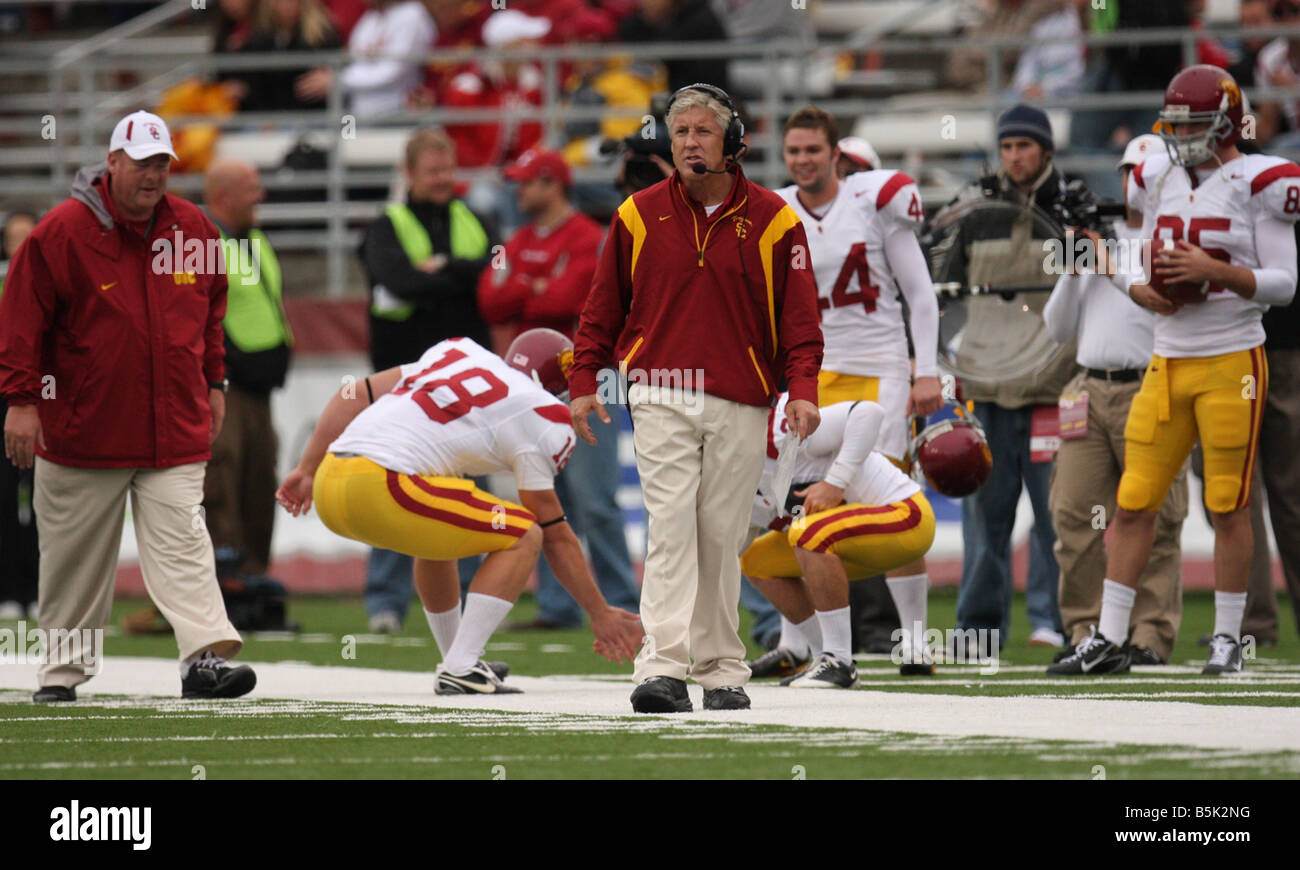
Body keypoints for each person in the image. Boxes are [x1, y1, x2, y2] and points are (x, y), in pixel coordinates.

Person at [570, 83, 823, 713]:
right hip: (658, 391)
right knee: (672, 526)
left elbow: (800, 318)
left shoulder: (776, 219)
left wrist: (804, 390)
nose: (689, 142)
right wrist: (583, 382)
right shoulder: (635, 214)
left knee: (721, 534)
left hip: (743, 397)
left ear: (732, 142)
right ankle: (659, 669)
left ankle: (720, 671)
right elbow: (602, 307)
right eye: (680, 132)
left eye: (702, 131)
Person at [0, 111, 255, 702]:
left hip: (172, 427)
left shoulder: (194, 229)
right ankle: (62, 673)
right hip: (84, 430)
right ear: (112, 162)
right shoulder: (60, 233)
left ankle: (204, 659)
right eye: (142, 163)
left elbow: (211, 314)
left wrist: (214, 381)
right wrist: (20, 400)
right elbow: (21, 322)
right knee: (73, 559)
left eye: (162, 163)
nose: (153, 175)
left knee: (185, 544)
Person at [1066, 65, 1299, 676]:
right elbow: (1145, 274)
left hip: (1231, 359)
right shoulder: (1154, 176)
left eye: (1194, 124)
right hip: (1166, 360)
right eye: (1176, 124)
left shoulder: (1260, 181)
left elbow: (1284, 283)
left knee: (1227, 503)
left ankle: (1227, 639)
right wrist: (1138, 286)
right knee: (1134, 500)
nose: (1182, 135)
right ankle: (1109, 636)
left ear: (1225, 122)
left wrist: (1214, 271)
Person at [275, 331, 643, 693]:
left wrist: (307, 468)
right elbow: (556, 534)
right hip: (382, 484)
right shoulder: (543, 413)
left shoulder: (457, 352)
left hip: (330, 482)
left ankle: (456, 659)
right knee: (524, 533)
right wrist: (599, 611)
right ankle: (462, 665)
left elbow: (353, 391)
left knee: (441, 534)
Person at [749, 106, 940, 679]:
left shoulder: (872, 202)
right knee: (791, 499)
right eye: (794, 152)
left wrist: (926, 369)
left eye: (814, 150)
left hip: (879, 363)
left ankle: (915, 641)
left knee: (883, 489)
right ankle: (799, 642)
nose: (804, 161)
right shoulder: (776, 208)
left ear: (837, 153)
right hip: (812, 368)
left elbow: (920, 293)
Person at [932, 104, 1081, 649]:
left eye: (1025, 146)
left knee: (1056, 516)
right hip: (989, 380)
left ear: (1045, 150)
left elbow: (1094, 281)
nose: (1015, 156)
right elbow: (942, 286)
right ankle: (976, 628)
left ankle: (1058, 621)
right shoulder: (975, 209)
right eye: (1008, 146)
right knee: (984, 517)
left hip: (1052, 384)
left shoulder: (1075, 207)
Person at [1043, 134, 1189, 674]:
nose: (1134, 183)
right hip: (1088, 384)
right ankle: (1086, 629)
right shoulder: (1100, 240)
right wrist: (1075, 271)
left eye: (1144, 173)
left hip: (1150, 381)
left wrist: (1106, 266)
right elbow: (1058, 327)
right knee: (1074, 513)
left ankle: (1149, 633)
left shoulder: (1170, 240)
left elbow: (1167, 308)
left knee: (1156, 513)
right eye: (1129, 172)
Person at [477, 148, 640, 629]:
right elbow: (491, 299)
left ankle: (621, 598)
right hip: (536, 387)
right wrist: (539, 285)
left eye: (527, 182)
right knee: (548, 498)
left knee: (595, 498)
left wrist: (528, 286)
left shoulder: (591, 237)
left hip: (587, 380)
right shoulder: (517, 239)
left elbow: (572, 296)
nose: (519, 191)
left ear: (553, 184)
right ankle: (558, 605)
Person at [359, 127, 498, 633]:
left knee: (469, 491)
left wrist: (441, 271)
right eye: (432, 171)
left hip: (466, 386)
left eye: (447, 169)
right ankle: (386, 603)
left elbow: (495, 276)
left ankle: (468, 604)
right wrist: (459, 276)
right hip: (407, 387)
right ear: (410, 174)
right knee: (393, 485)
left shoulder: (476, 218)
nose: (442, 179)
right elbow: (398, 280)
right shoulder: (385, 225)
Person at [743, 395, 937, 687]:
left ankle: (840, 660)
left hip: (905, 516)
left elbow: (868, 413)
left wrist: (836, 481)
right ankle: (825, 656)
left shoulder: (781, 426)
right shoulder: (733, 468)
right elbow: (729, 550)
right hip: (853, 544)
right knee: (754, 560)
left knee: (806, 532)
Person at [202, 159, 293, 576]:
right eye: (251, 188)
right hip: (227, 388)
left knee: (260, 482)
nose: (261, 197)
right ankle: (222, 582)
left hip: (261, 389)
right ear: (223, 196)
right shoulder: (201, 243)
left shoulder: (254, 239)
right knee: (221, 479)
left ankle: (254, 580)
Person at [294, 0, 435, 118]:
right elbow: (352, 58)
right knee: (344, 144)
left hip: (395, 113)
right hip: (356, 112)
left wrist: (336, 79)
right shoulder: (371, 17)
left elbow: (392, 71)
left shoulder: (412, 14)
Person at [0, 210, 39, 621]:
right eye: (14, 239)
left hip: (44, 399)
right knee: (6, 498)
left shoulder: (50, 285)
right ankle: (10, 586)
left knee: (46, 497)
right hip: (6, 400)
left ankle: (40, 585)